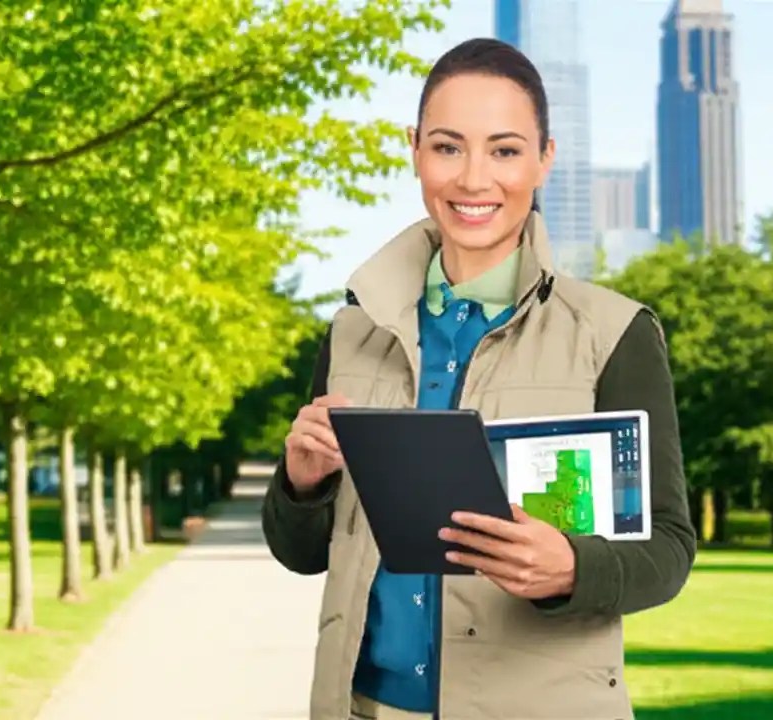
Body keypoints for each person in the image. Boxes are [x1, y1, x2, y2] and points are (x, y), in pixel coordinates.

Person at [262, 37, 696, 720]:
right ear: (414, 149)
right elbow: (302, 553)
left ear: (544, 160)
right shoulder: (353, 329)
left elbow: (668, 549)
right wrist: (302, 481)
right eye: (446, 146)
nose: (472, 180)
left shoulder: (614, 335)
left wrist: (572, 570)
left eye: (504, 150)